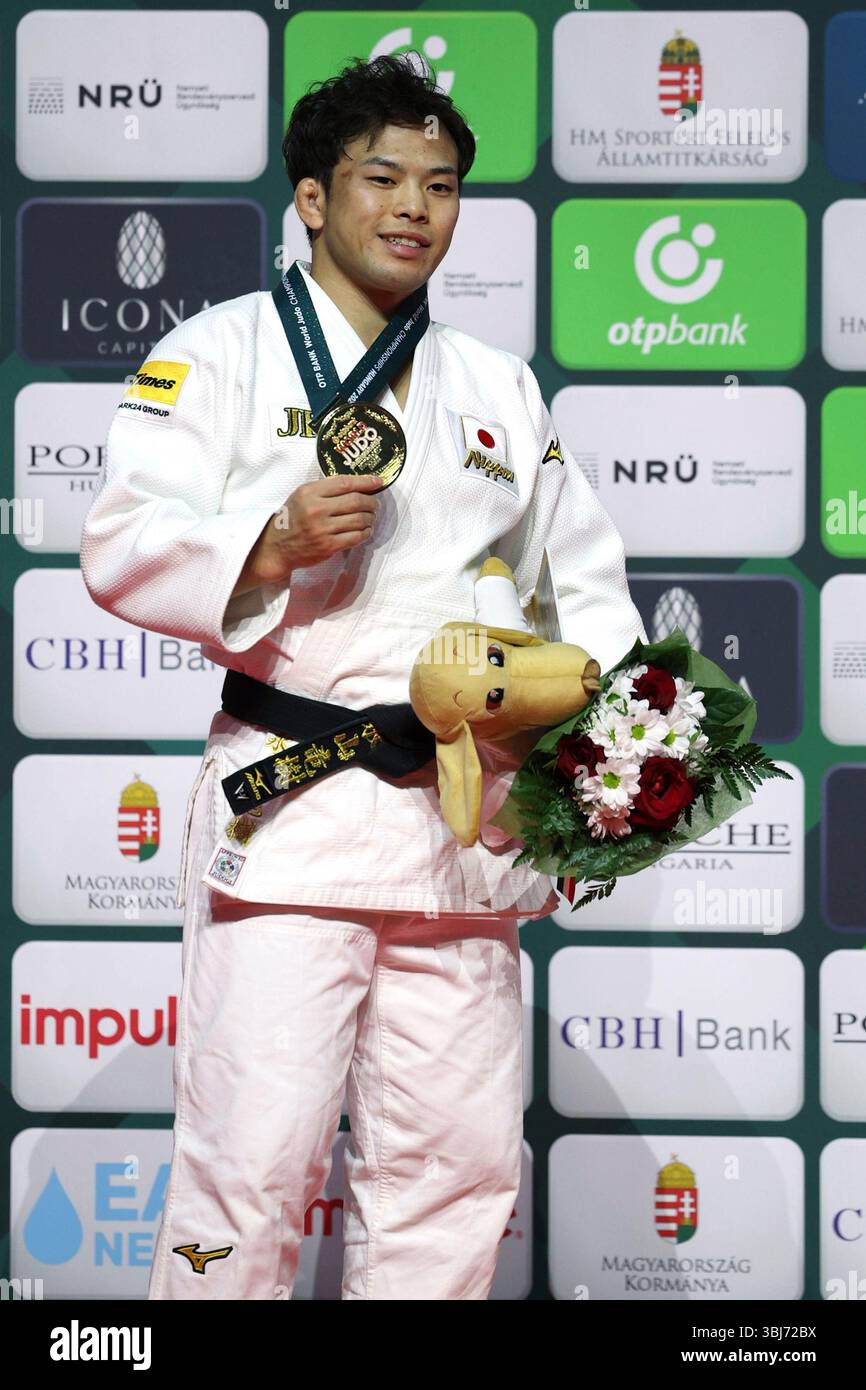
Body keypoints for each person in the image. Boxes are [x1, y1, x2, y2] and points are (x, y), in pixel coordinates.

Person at [80, 53, 647, 1301]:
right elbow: (119, 540)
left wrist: (609, 767)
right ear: (310, 197)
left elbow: (581, 597)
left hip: (462, 828)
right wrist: (268, 543)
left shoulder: (497, 386)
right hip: (294, 816)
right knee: (248, 1164)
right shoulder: (218, 355)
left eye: (439, 185)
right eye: (380, 177)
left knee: (453, 1175)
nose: (411, 207)